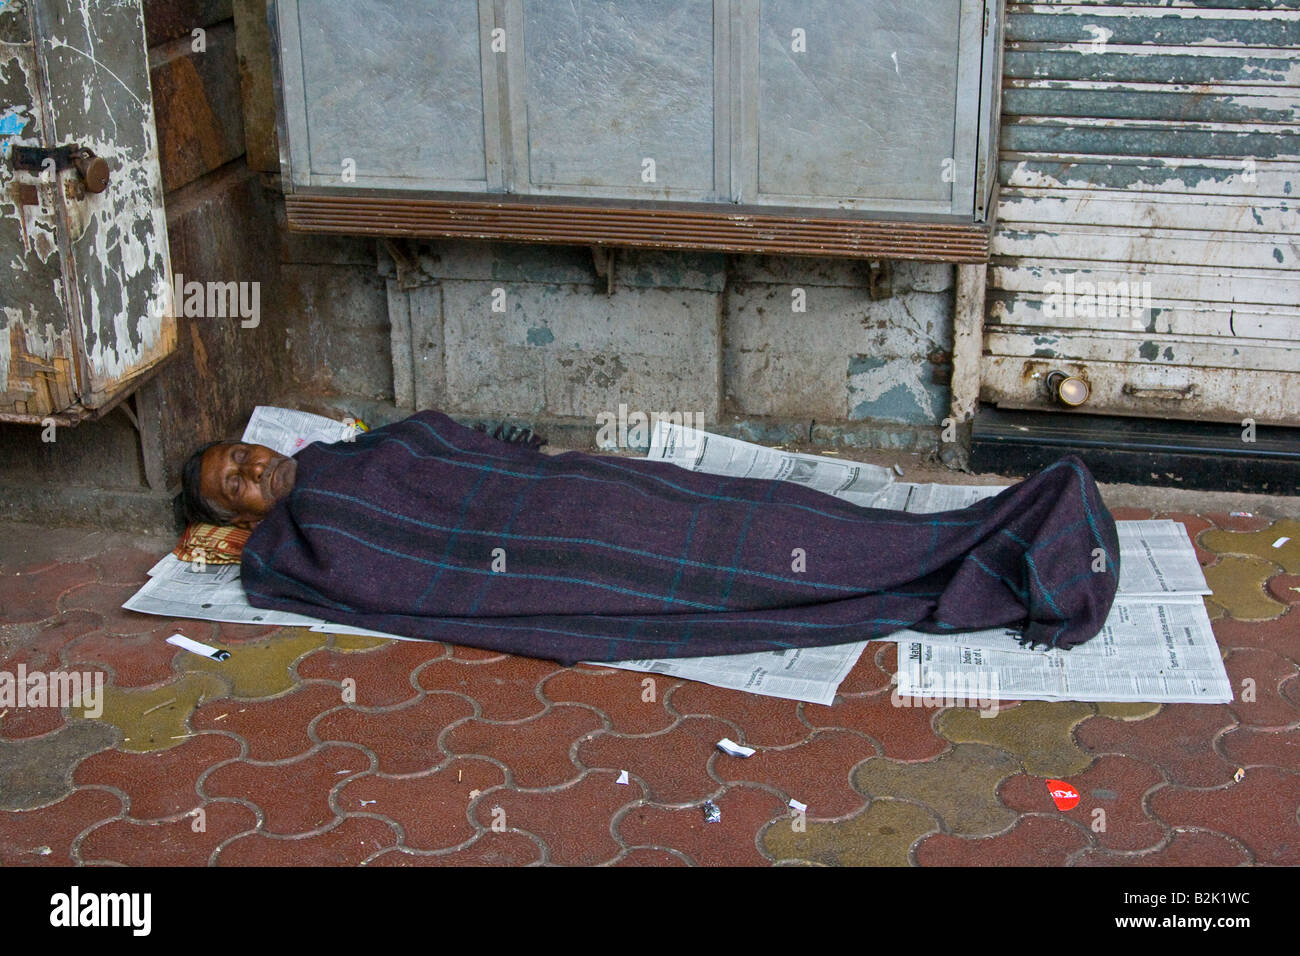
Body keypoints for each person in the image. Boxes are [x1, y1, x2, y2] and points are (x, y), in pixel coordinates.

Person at [181, 410, 1120, 665]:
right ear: (237, 517)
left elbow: (477, 450)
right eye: (234, 484)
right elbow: (387, 577)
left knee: (767, 516)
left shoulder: (372, 439)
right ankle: (1003, 551)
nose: (251, 469)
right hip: (568, 550)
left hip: (587, 490)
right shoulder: (301, 534)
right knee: (739, 568)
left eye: (245, 453)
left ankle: (981, 536)